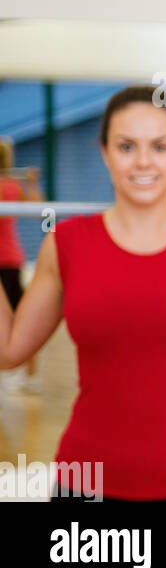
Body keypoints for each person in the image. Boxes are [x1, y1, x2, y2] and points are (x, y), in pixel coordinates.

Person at [0, 85, 166, 501]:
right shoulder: (67, 243)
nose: (142, 161)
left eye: (159, 146)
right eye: (126, 146)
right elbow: (9, 351)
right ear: (104, 152)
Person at [0, 138, 41, 392]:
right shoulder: (13, 186)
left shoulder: (12, 185)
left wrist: (30, 181)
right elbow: (39, 206)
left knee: (22, 320)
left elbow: (39, 209)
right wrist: (32, 183)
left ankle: (31, 377)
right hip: (12, 262)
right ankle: (32, 376)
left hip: (9, 261)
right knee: (23, 321)